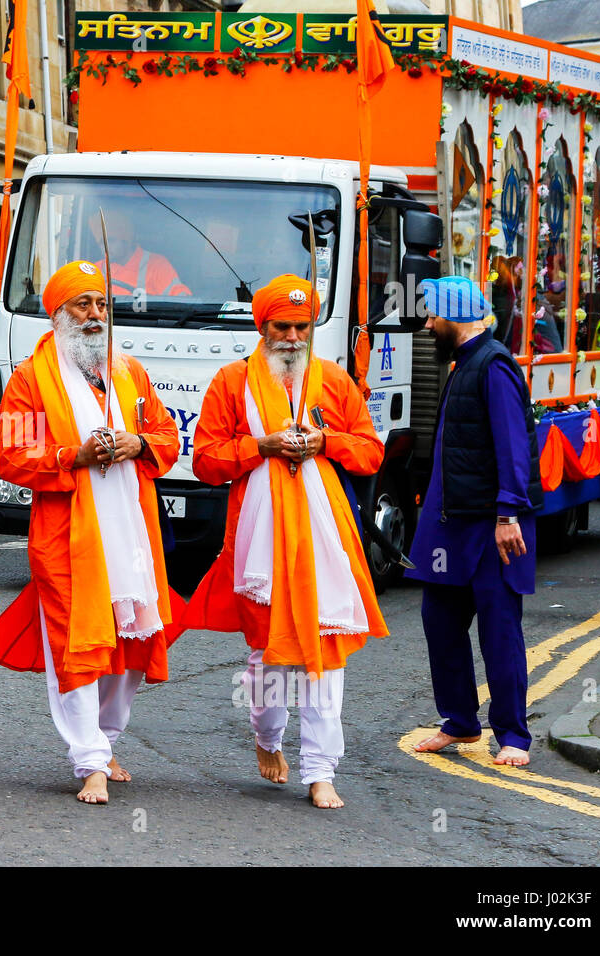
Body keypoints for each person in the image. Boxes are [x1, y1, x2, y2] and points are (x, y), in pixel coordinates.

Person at [174, 274, 387, 809]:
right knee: (266, 655)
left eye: (302, 326)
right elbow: (205, 461)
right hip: (258, 542)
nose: (293, 336)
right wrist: (261, 446)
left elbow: (369, 452)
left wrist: (326, 441)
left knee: (325, 651)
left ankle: (321, 771)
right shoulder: (230, 382)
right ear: (261, 326)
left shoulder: (335, 381)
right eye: (282, 327)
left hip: (324, 539)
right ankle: (267, 737)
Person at [0, 261, 181, 805]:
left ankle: (107, 739)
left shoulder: (129, 372)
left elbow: (165, 433)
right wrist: (75, 455)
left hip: (133, 531)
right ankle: (89, 759)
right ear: (58, 313)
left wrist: (139, 444)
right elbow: (14, 458)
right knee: (75, 643)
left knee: (132, 639)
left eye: (101, 305)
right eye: (82, 305)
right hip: (68, 536)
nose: (95, 315)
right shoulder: (28, 379)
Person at [409, 276, 542, 768]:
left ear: (452, 317)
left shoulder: (494, 365)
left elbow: (513, 446)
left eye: (432, 315)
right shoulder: (466, 362)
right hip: (452, 525)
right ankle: (461, 722)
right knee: (439, 621)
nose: (427, 324)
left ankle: (513, 736)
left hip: (493, 527)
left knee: (499, 629)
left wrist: (508, 512)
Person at [88, 209, 190, 299]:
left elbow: (181, 300)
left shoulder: (157, 265)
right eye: (101, 243)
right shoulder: (95, 270)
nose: (105, 247)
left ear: (127, 240)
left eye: (111, 241)